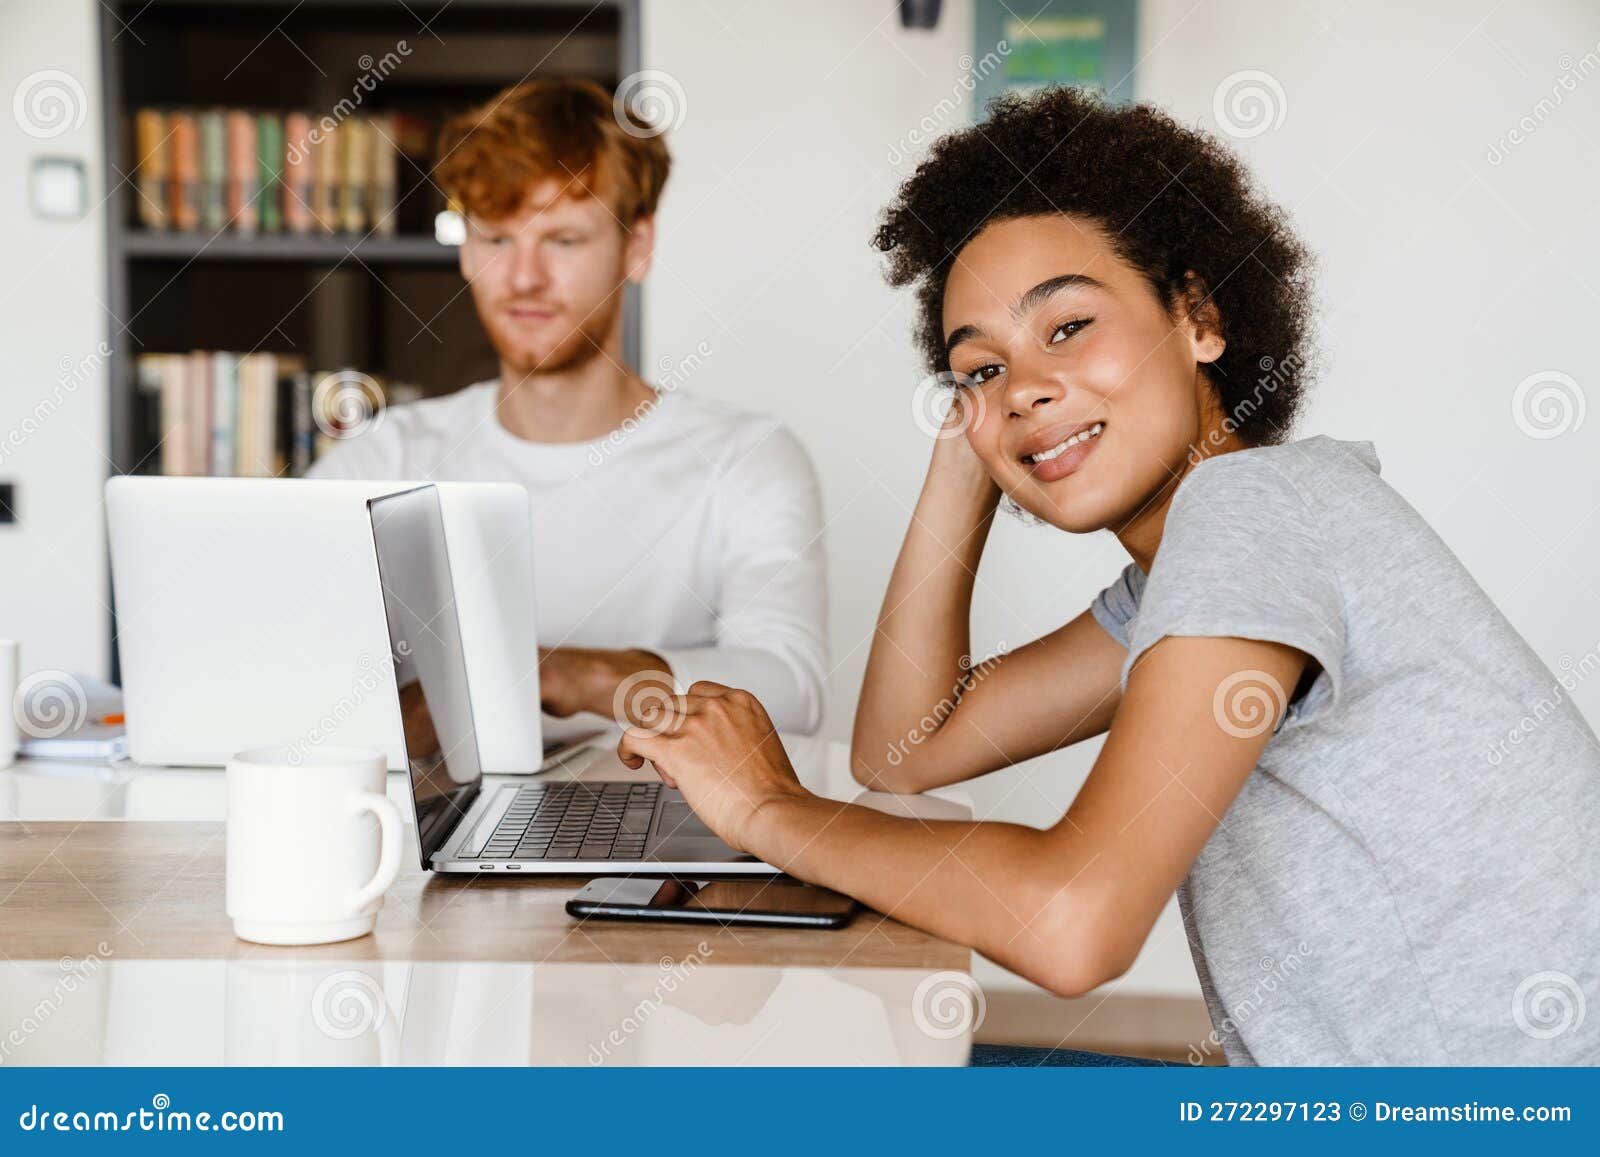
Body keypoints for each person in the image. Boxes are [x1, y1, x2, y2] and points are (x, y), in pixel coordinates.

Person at [611, 86, 1600, 1066]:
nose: (1026, 383)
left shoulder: (1255, 511)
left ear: (1198, 317)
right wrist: (970, 453)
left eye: (1067, 327)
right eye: (978, 366)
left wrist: (764, 809)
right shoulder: (1193, 570)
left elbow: (1072, 923)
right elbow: (904, 750)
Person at [311, 80, 827, 735]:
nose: (524, 277)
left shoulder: (746, 459)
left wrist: (564, 675)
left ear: (636, 248)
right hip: (436, 831)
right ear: (466, 250)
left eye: (563, 240)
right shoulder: (381, 461)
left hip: (661, 831)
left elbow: (795, 689)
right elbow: (283, 659)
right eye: (497, 238)